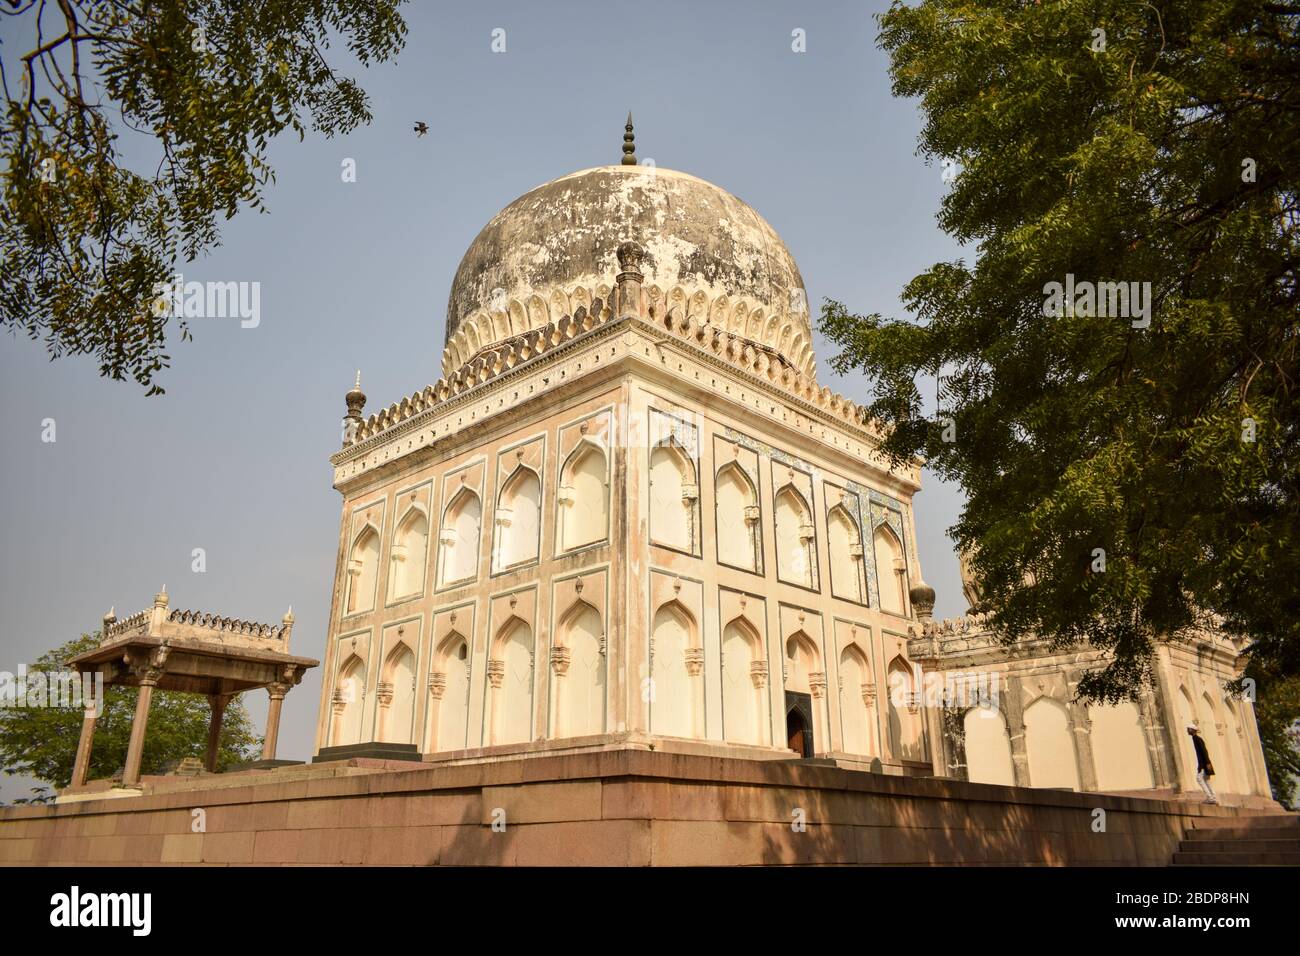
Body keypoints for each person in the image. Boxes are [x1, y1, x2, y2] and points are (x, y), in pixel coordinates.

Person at [1186, 723, 1217, 804]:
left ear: (1192, 730)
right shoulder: (1196, 738)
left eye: (1188, 729)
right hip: (1205, 763)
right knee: (1206, 780)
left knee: (1199, 779)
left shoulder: (1197, 739)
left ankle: (1210, 797)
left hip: (1204, 764)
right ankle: (1213, 797)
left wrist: (1204, 765)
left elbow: (1203, 752)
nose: (1187, 731)